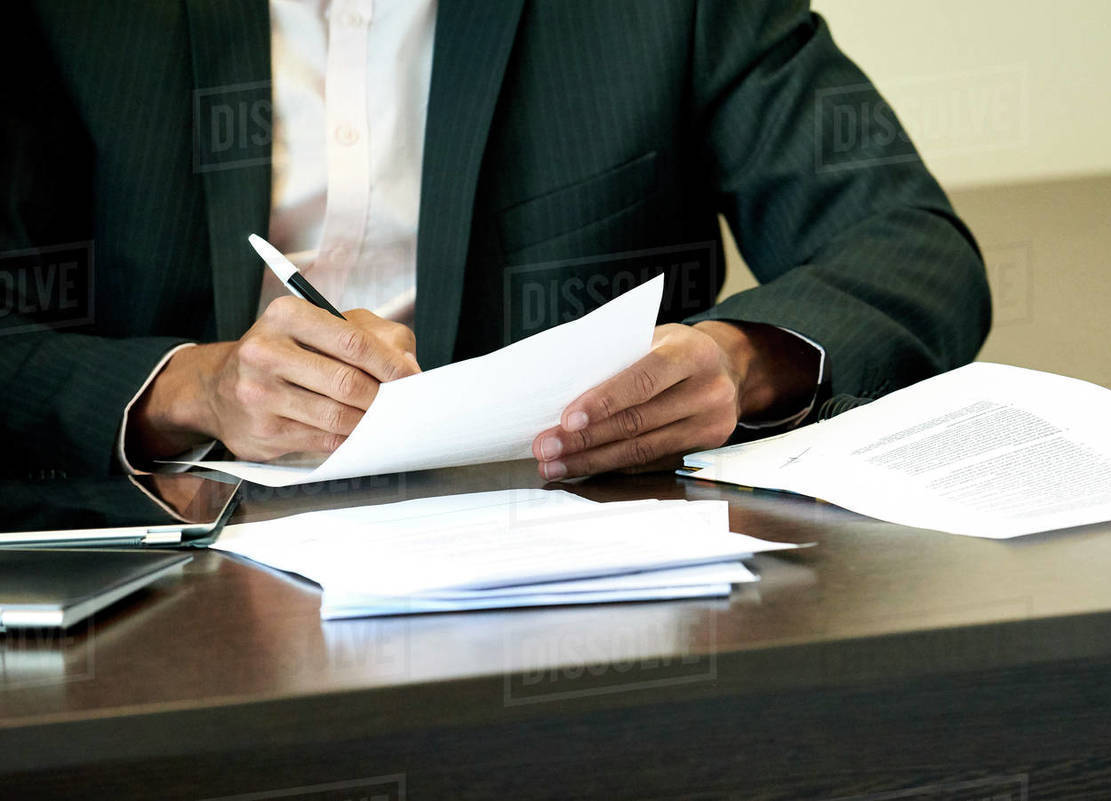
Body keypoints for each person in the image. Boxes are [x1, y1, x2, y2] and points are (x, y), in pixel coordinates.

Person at [0, 0, 990, 481]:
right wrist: (187, 389)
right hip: (173, 594)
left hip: (575, 568)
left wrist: (742, 359)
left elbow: (911, 245)